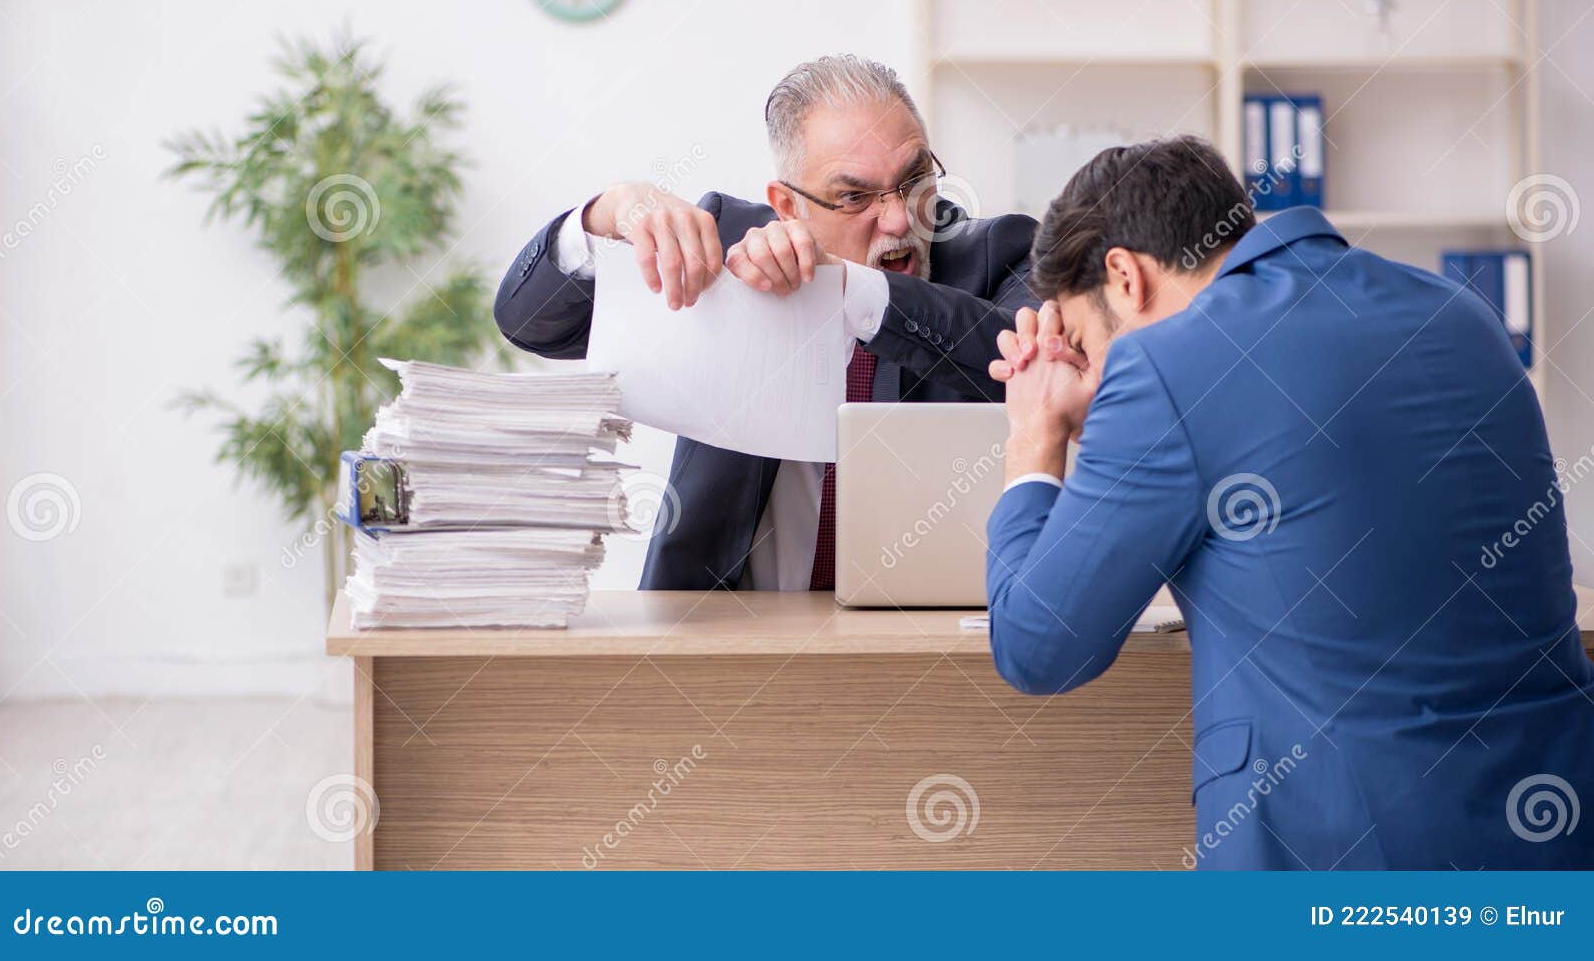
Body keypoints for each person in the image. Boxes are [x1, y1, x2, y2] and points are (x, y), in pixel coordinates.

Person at [984, 134, 1594, 870]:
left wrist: (1035, 437)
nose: (1093, 371)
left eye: (1080, 340)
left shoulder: (1166, 365)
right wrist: (1120, 433)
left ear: (1123, 276)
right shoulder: (1460, 312)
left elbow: (1038, 647)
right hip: (1551, 838)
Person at [496, 54, 1037, 591]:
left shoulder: (998, 253)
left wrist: (847, 286)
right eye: (854, 196)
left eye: (914, 178)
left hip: (916, 642)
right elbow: (534, 325)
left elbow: (1029, 368)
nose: (899, 218)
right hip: (719, 631)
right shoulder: (724, 247)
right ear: (786, 205)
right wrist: (603, 216)